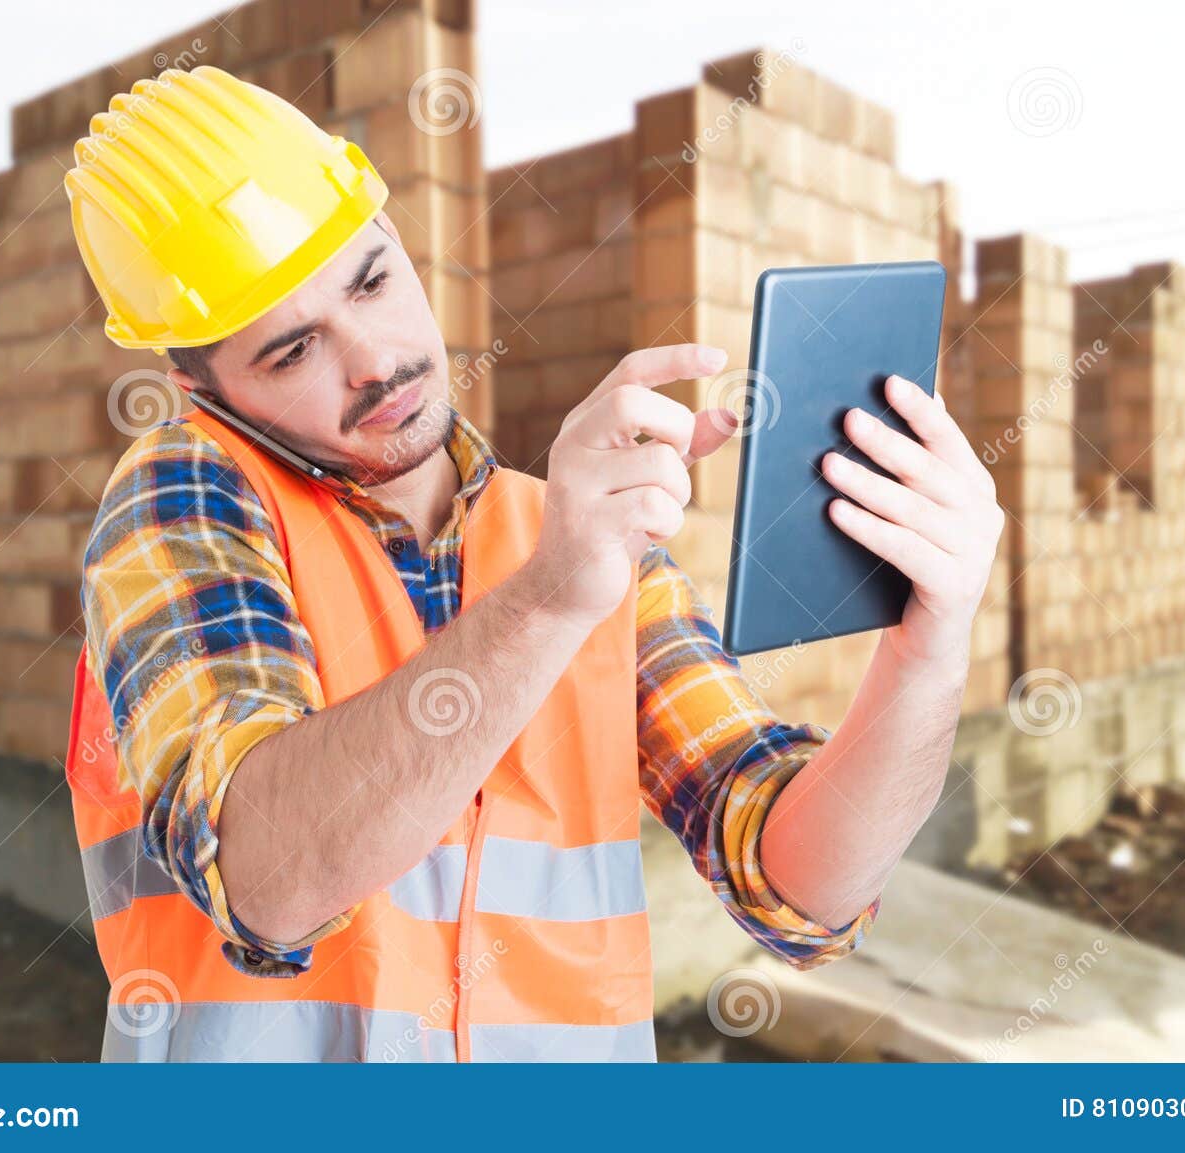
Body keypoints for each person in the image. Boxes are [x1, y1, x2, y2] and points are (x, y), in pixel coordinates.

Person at [64, 65, 1003, 1061]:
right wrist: (550, 600)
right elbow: (267, 879)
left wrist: (928, 653)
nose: (375, 360)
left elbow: (800, 883)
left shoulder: (560, 536)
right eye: (293, 351)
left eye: (374, 281)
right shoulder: (182, 498)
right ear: (198, 386)